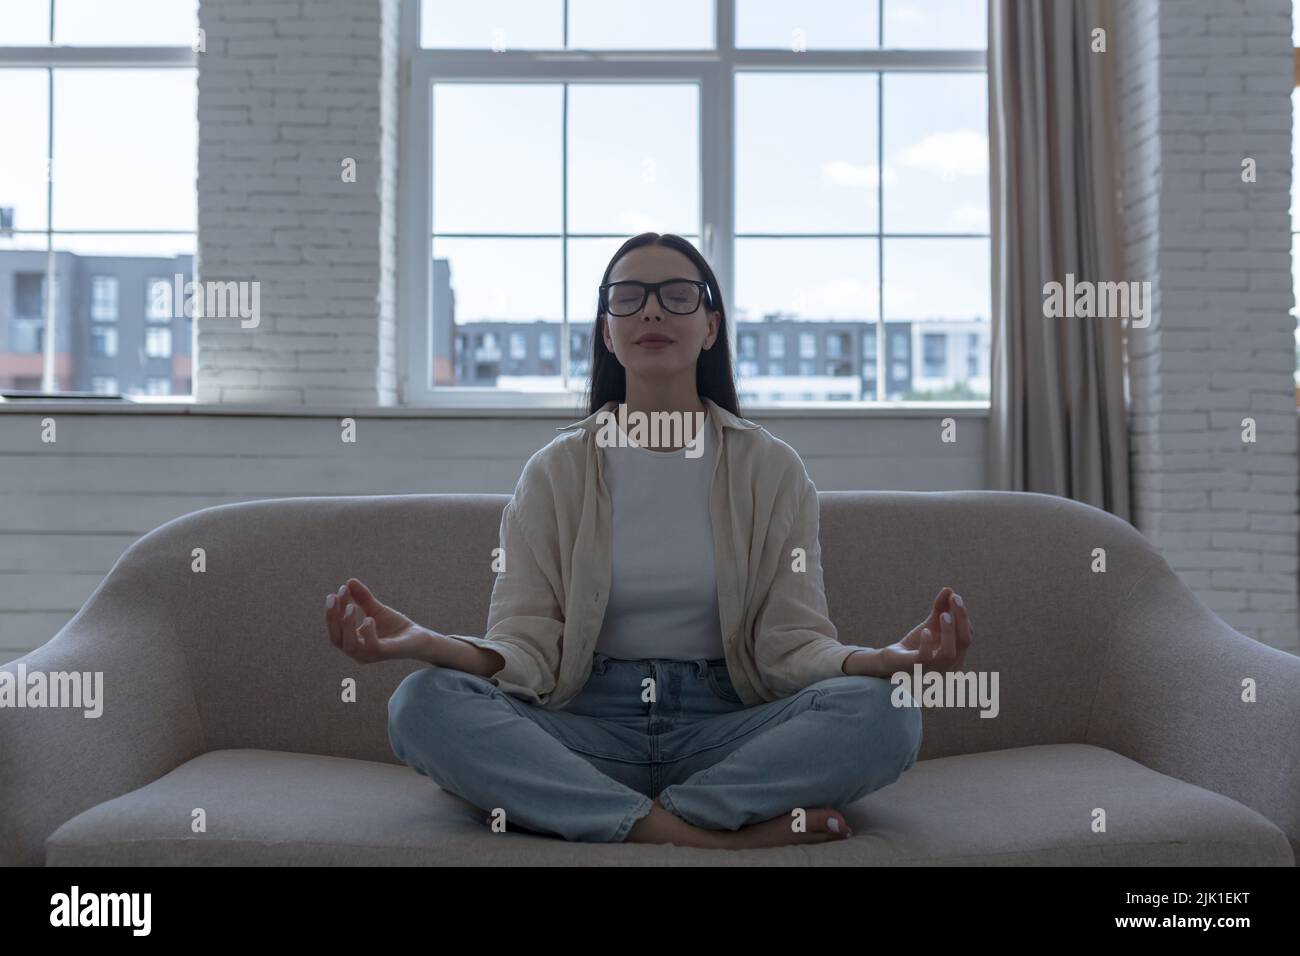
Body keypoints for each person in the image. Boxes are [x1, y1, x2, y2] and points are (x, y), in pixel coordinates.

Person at [326, 232, 974, 849]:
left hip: (725, 726)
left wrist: (885, 661)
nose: (653, 311)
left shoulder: (771, 470)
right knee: (423, 702)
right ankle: (699, 835)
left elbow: (791, 648)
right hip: (586, 726)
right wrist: (427, 645)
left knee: (885, 712)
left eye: (679, 294)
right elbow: (526, 652)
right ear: (608, 331)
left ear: (711, 326)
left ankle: (607, 815)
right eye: (628, 297)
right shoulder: (555, 473)